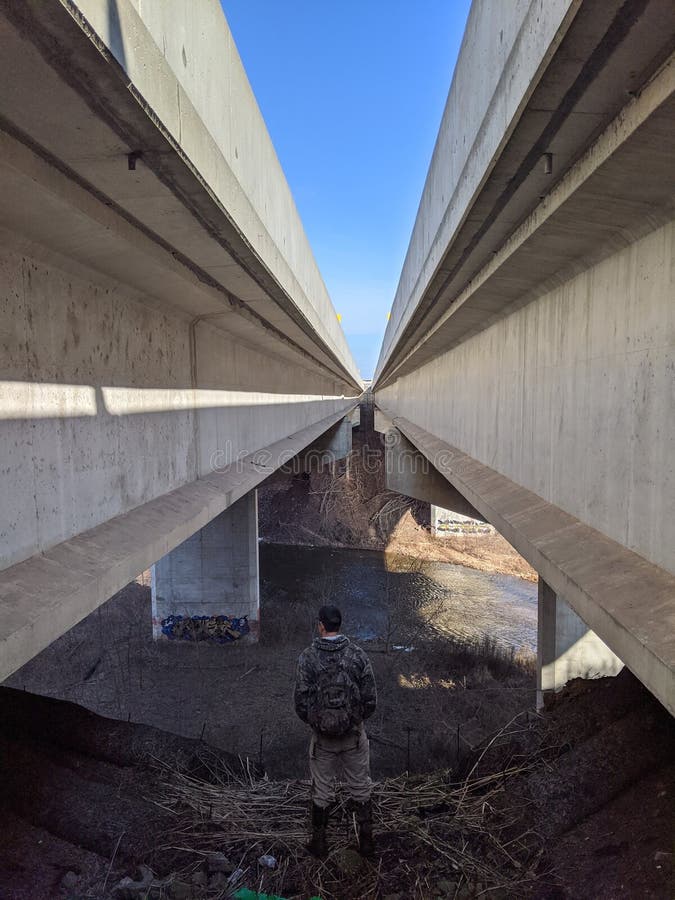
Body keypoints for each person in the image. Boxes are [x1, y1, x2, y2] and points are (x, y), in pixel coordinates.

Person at [294, 604, 377, 859]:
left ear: (321, 625)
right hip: (353, 737)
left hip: (323, 741)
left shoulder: (307, 657)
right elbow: (370, 700)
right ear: (340, 625)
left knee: (321, 791)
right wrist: (353, 722)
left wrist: (319, 723)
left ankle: (319, 845)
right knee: (361, 787)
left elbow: (300, 702)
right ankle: (366, 843)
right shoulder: (358, 655)